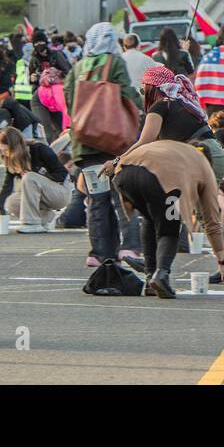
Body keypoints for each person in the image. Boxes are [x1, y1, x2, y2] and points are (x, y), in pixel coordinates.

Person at [64, 21, 144, 268]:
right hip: (114, 143)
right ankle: (129, 247)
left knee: (97, 199)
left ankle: (99, 252)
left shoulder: (77, 68)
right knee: (122, 196)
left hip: (86, 145)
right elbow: (126, 93)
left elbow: (69, 96)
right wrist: (141, 108)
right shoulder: (114, 62)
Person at [110, 140, 224, 298]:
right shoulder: (204, 167)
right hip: (160, 180)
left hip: (124, 174)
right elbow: (212, 221)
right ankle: (161, 275)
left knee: (150, 218)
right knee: (171, 227)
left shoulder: (174, 148)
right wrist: (222, 261)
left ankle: (150, 279)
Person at [128, 65, 224, 181]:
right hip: (217, 156)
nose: (143, 96)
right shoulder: (182, 102)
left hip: (200, 157)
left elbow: (145, 141)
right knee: (207, 198)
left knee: (172, 196)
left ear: (153, 89)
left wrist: (118, 162)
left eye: (143, 90)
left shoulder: (160, 105)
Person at [0, 126, 71, 233]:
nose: (4, 154)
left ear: (14, 147)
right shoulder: (12, 160)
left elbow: (61, 174)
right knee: (11, 202)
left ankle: (31, 223)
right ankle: (44, 218)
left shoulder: (39, 149)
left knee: (29, 177)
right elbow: (7, 186)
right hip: (43, 196)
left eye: (6, 150)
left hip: (60, 192)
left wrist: (38, 175)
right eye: (2, 150)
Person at [26, 30, 70, 140]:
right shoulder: (34, 59)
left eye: (41, 42)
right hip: (40, 97)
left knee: (62, 128)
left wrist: (56, 74)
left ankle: (65, 152)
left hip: (56, 95)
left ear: (46, 42)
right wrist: (32, 79)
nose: (39, 45)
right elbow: (30, 77)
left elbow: (68, 71)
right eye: (36, 43)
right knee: (46, 131)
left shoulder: (56, 55)